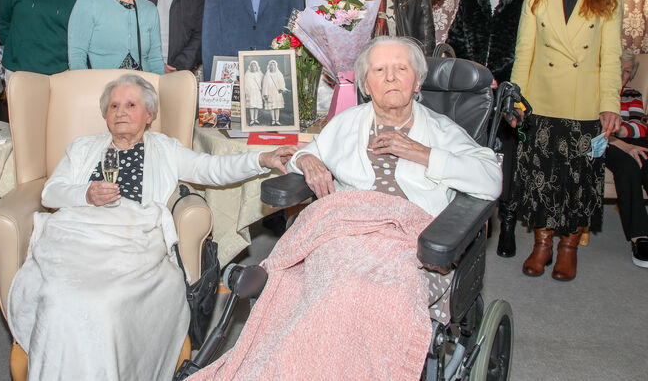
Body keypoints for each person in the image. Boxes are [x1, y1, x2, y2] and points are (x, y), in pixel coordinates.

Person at [190, 37, 500, 379]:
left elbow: (490, 178)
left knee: (369, 295)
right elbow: (304, 155)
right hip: (343, 233)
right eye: (380, 70)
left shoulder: (441, 131)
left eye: (401, 69)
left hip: (408, 242)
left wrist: (422, 153)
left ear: (417, 81)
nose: (392, 78)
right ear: (367, 83)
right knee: (320, 288)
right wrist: (307, 159)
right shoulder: (348, 122)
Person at [7, 74, 295, 381]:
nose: (120, 111)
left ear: (149, 115)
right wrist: (86, 194)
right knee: (58, 297)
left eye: (131, 105)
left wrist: (262, 159)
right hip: (79, 234)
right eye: (114, 105)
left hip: (134, 239)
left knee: (102, 303)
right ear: (105, 115)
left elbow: (212, 169)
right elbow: (51, 192)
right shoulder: (81, 149)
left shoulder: (165, 149)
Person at [511, 0, 623, 282]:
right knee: (540, 175)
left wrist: (611, 104)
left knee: (579, 179)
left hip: (585, 104)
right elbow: (524, 52)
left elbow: (611, 57)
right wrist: (516, 100)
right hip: (541, 102)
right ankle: (542, 243)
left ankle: (568, 248)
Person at [445, 0, 526, 258]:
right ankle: (469, 223)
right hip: (472, 91)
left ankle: (507, 223)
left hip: (508, 94)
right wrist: (475, 75)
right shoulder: (469, 2)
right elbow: (453, 44)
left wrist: (501, 79)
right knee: (469, 154)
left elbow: (526, 50)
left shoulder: (527, 3)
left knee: (507, 158)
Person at [603, 53, 648, 268]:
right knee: (628, 166)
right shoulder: (599, 93)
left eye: (628, 70)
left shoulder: (633, 94)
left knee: (644, 158)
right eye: (620, 68)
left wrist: (613, 130)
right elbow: (596, 130)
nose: (623, 73)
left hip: (627, 139)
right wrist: (622, 141)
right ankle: (640, 237)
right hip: (605, 144)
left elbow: (641, 127)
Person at [261, 59, 288, 126]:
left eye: (274, 65)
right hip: (270, 92)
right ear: (269, 66)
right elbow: (265, 85)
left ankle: (277, 120)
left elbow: (282, 83)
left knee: (277, 107)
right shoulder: (267, 75)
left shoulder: (279, 74)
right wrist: (266, 94)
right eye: (271, 65)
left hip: (277, 92)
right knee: (272, 107)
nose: (272, 67)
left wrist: (282, 88)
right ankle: (273, 120)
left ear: (276, 66)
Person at [243, 60, 264, 126]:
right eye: (252, 66)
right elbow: (246, 84)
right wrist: (247, 91)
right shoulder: (247, 74)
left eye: (255, 66)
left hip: (257, 91)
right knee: (251, 105)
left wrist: (261, 88)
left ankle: (256, 119)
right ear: (250, 67)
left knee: (256, 106)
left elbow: (263, 82)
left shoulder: (260, 74)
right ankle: (252, 119)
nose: (253, 67)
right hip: (250, 92)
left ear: (257, 67)